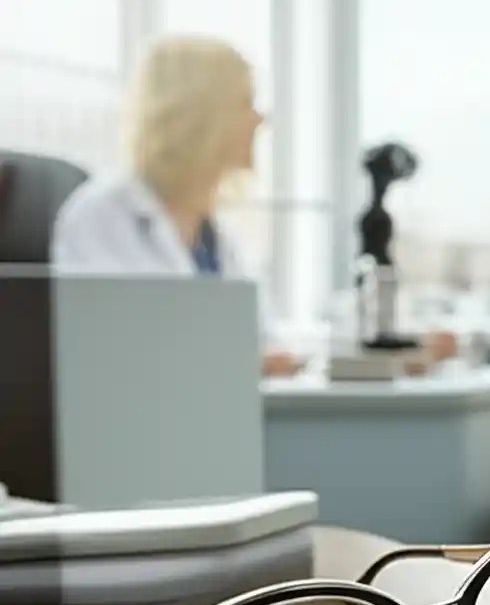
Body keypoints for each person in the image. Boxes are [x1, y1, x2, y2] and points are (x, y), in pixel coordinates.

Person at [52, 35, 456, 376]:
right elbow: (119, 358)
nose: (259, 119)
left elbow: (272, 341)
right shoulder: (103, 215)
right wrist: (250, 363)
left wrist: (394, 352)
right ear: (198, 113)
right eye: (245, 102)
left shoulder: (213, 235)